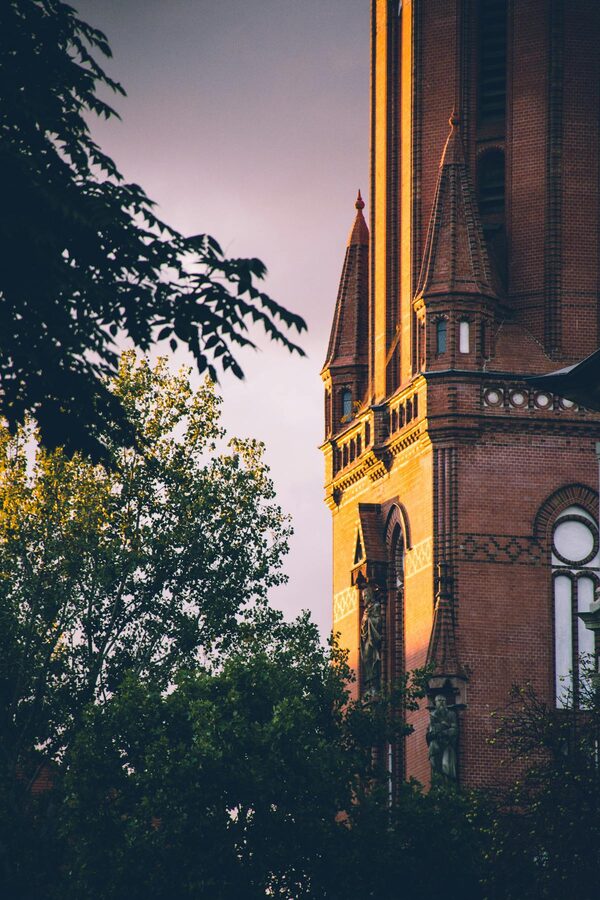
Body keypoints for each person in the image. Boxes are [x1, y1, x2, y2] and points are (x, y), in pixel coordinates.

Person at [426, 694, 458, 780]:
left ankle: (448, 785)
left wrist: (443, 732)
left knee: (446, 765)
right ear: (435, 703)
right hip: (435, 745)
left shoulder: (451, 714)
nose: (441, 703)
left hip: (447, 744)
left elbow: (454, 730)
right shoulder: (432, 716)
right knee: (435, 765)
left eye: (443, 700)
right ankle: (438, 785)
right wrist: (434, 733)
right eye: (439, 701)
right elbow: (430, 732)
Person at [360, 581, 383, 697]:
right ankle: (369, 684)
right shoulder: (365, 611)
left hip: (372, 638)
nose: (364, 599)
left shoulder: (376, 607)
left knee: (372, 658)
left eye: (365, 596)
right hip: (366, 639)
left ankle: (374, 684)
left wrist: (369, 620)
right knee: (366, 660)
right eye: (363, 597)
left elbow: (378, 621)